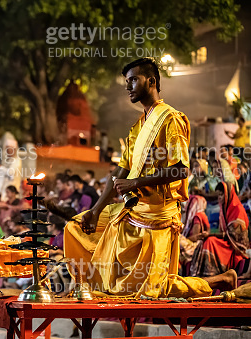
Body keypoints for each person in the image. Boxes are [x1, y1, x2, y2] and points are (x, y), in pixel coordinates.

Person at [64, 58, 235, 299]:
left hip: (158, 215)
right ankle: (90, 290)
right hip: (131, 210)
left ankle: (219, 280)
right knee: (75, 228)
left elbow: (180, 169)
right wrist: (95, 209)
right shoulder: (137, 127)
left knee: (151, 291)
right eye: (126, 81)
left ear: (151, 81)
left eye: (133, 80)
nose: (128, 86)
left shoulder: (170, 120)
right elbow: (120, 170)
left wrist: (135, 184)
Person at [190, 182, 249, 277]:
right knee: (204, 241)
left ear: (228, 194)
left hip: (235, 248)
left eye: (222, 194)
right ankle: (199, 276)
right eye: (218, 195)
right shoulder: (224, 208)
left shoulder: (237, 209)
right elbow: (224, 233)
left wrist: (211, 235)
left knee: (210, 241)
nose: (219, 198)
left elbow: (235, 238)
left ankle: (210, 275)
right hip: (227, 242)